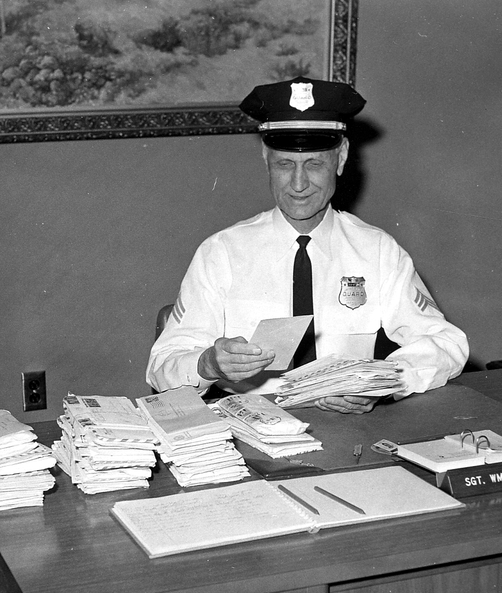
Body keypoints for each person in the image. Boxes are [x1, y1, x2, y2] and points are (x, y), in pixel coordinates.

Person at [146, 76, 468, 413]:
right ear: (265, 156)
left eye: (314, 164)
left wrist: (380, 382)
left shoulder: (376, 251)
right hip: (249, 423)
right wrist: (207, 364)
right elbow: (161, 365)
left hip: (350, 426)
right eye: (285, 165)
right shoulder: (222, 252)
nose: (299, 184)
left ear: (341, 157)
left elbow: (447, 344)